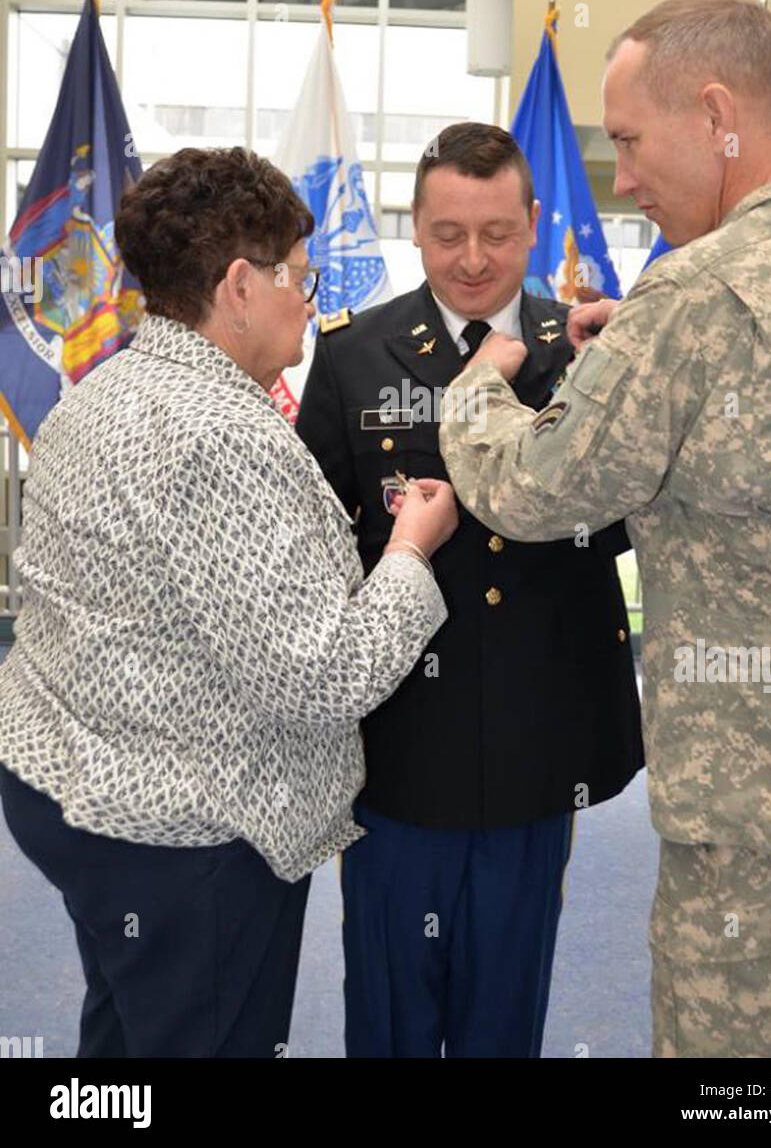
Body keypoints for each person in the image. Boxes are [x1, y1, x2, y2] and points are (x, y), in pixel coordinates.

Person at [440, 0, 771, 1058]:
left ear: (716, 112)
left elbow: (531, 488)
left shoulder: (692, 297)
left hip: (761, 820)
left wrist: (476, 389)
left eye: (627, 141)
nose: (619, 179)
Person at [0, 146, 457, 1058]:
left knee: (128, 1037)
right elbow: (328, 675)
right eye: (300, 275)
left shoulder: (107, 389)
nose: (312, 298)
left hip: (75, 785)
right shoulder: (216, 433)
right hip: (184, 831)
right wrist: (412, 550)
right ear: (241, 287)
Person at [296, 122, 642, 1058]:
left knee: (504, 1014)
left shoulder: (590, 352)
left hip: (537, 743)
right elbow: (321, 546)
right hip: (401, 751)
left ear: (535, 224)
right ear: (416, 227)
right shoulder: (355, 353)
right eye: (449, 233)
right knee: (391, 1010)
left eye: (497, 231)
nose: (474, 258)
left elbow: (623, 525)